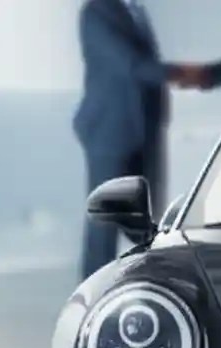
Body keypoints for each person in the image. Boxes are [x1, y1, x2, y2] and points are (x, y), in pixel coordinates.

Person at [73, 0, 202, 279]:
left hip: (143, 130)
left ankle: (145, 289)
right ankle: (91, 301)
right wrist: (177, 73)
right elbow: (128, 64)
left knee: (144, 220)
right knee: (103, 223)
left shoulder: (135, 12)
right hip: (109, 131)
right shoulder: (97, 11)